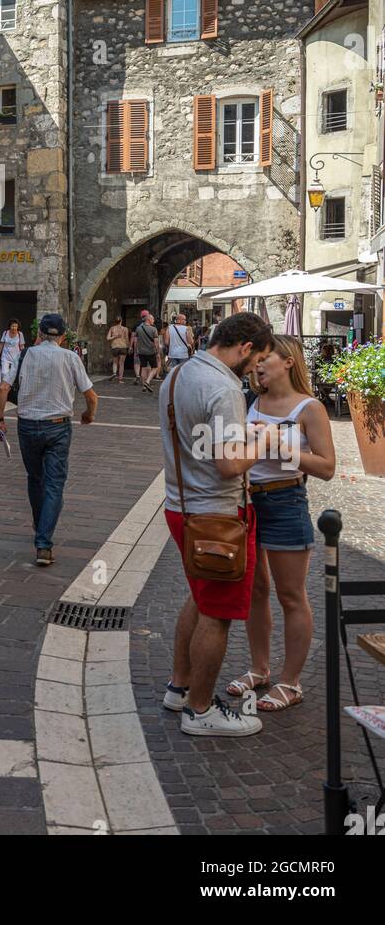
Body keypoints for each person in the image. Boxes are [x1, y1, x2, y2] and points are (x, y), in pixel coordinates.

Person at [159, 311, 275, 737]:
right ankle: (201, 710)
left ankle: (179, 687)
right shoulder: (223, 387)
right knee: (218, 614)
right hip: (219, 515)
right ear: (244, 347)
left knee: (199, 598)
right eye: (256, 358)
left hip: (181, 506)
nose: (256, 368)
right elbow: (228, 464)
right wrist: (263, 441)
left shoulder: (178, 374)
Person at [225, 336, 335, 711]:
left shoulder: (310, 407)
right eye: (255, 360)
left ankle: (291, 682)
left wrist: (282, 447)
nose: (256, 365)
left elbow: (327, 467)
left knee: (291, 595)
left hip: (287, 501)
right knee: (255, 590)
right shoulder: (254, 401)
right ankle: (259, 668)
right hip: (250, 502)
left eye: (264, 358)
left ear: (288, 361)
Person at [0, 313, 98, 567]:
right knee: (54, 483)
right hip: (58, 427)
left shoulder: (25, 354)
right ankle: (43, 543)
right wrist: (88, 415)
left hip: (27, 426)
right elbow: (92, 396)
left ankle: (40, 524)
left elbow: (3, 389)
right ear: (63, 337)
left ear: (39, 334)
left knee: (35, 478)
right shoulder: (70, 357)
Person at [0, 318, 25, 388]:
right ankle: (5, 388)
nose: (14, 328)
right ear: (10, 326)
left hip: (16, 357)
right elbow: (1, 344)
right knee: (4, 373)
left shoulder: (20, 334)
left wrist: (23, 357)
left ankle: (11, 388)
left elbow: (22, 346)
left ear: (18, 327)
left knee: (15, 374)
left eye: (16, 326)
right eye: (12, 326)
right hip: (5, 356)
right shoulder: (5, 333)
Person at [134, 311, 159, 393]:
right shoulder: (153, 329)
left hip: (141, 352)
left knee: (143, 368)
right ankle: (148, 381)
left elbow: (136, 341)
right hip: (151, 352)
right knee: (155, 367)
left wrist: (136, 350)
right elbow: (156, 342)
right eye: (152, 319)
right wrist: (158, 352)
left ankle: (144, 386)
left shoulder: (138, 328)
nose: (153, 320)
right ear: (148, 319)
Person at [107, 316, 130, 382]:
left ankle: (114, 373)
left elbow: (108, 338)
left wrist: (114, 336)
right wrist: (128, 347)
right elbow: (127, 339)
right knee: (121, 363)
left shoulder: (112, 328)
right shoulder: (125, 329)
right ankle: (120, 379)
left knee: (115, 362)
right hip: (123, 347)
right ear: (121, 321)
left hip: (115, 347)